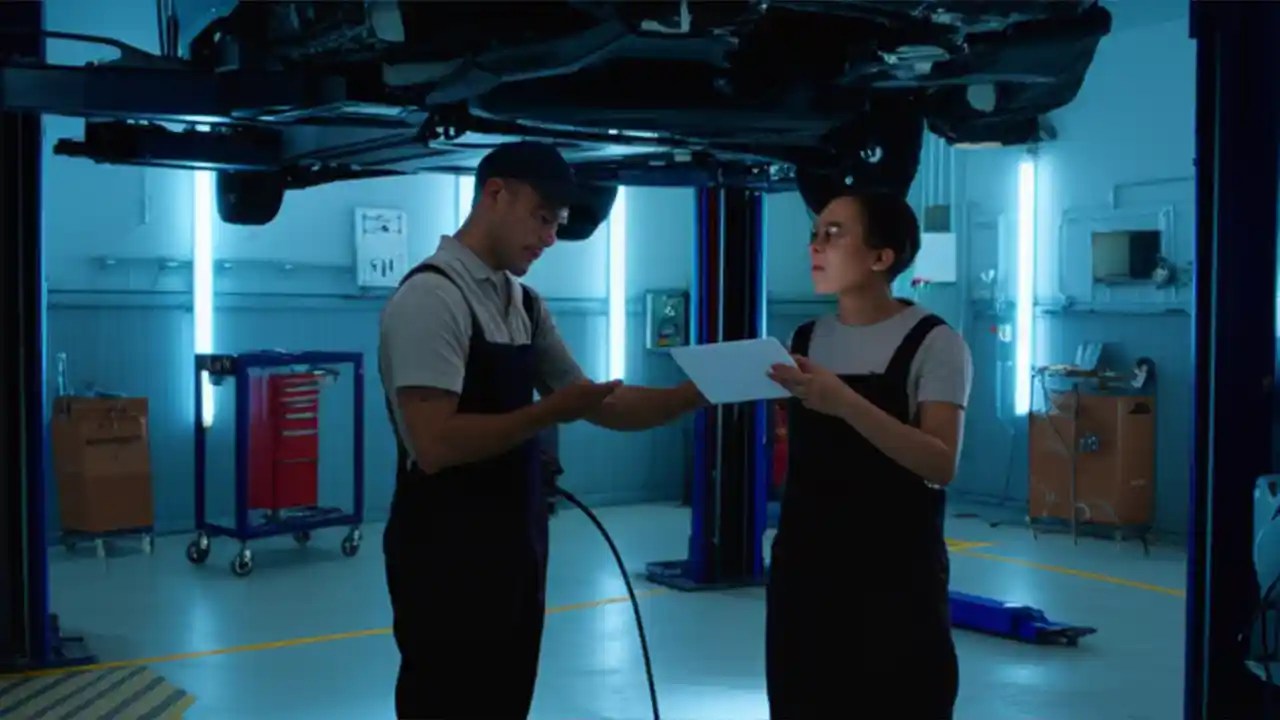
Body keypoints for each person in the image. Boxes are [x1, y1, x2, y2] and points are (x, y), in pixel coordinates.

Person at [377, 140, 704, 720]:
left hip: (513, 541)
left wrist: (697, 393)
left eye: (558, 224)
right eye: (543, 218)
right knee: (447, 701)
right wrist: (552, 412)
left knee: (504, 699)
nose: (550, 237)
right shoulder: (432, 297)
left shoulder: (521, 303)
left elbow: (598, 402)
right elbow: (434, 443)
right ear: (495, 194)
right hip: (445, 549)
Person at [765, 190, 973, 719]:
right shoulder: (806, 337)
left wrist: (844, 403)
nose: (816, 245)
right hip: (807, 567)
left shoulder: (935, 342)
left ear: (882, 257)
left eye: (834, 233)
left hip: (892, 573)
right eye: (814, 234)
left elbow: (939, 462)